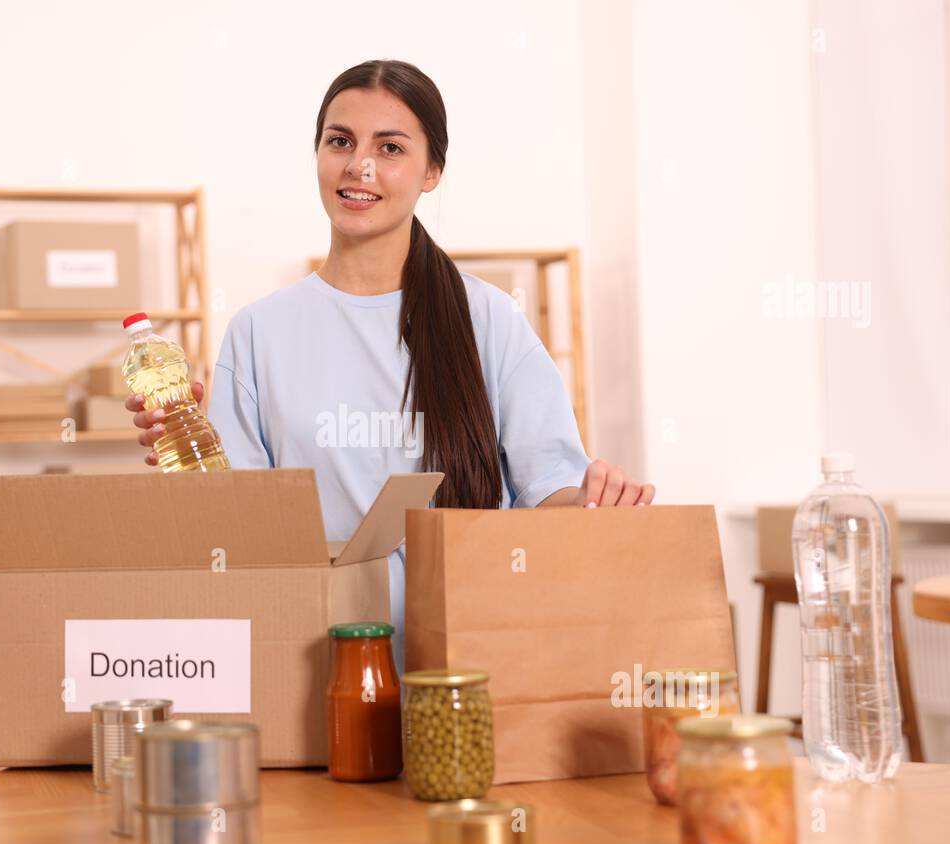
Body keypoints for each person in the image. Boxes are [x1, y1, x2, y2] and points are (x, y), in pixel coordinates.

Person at [128, 59, 654, 672]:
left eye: (391, 147)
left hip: (470, 669)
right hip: (319, 667)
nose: (360, 166)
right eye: (341, 141)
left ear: (431, 172)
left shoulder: (489, 319)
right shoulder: (257, 331)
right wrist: (190, 450)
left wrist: (598, 499)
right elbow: (239, 527)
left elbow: (549, 493)